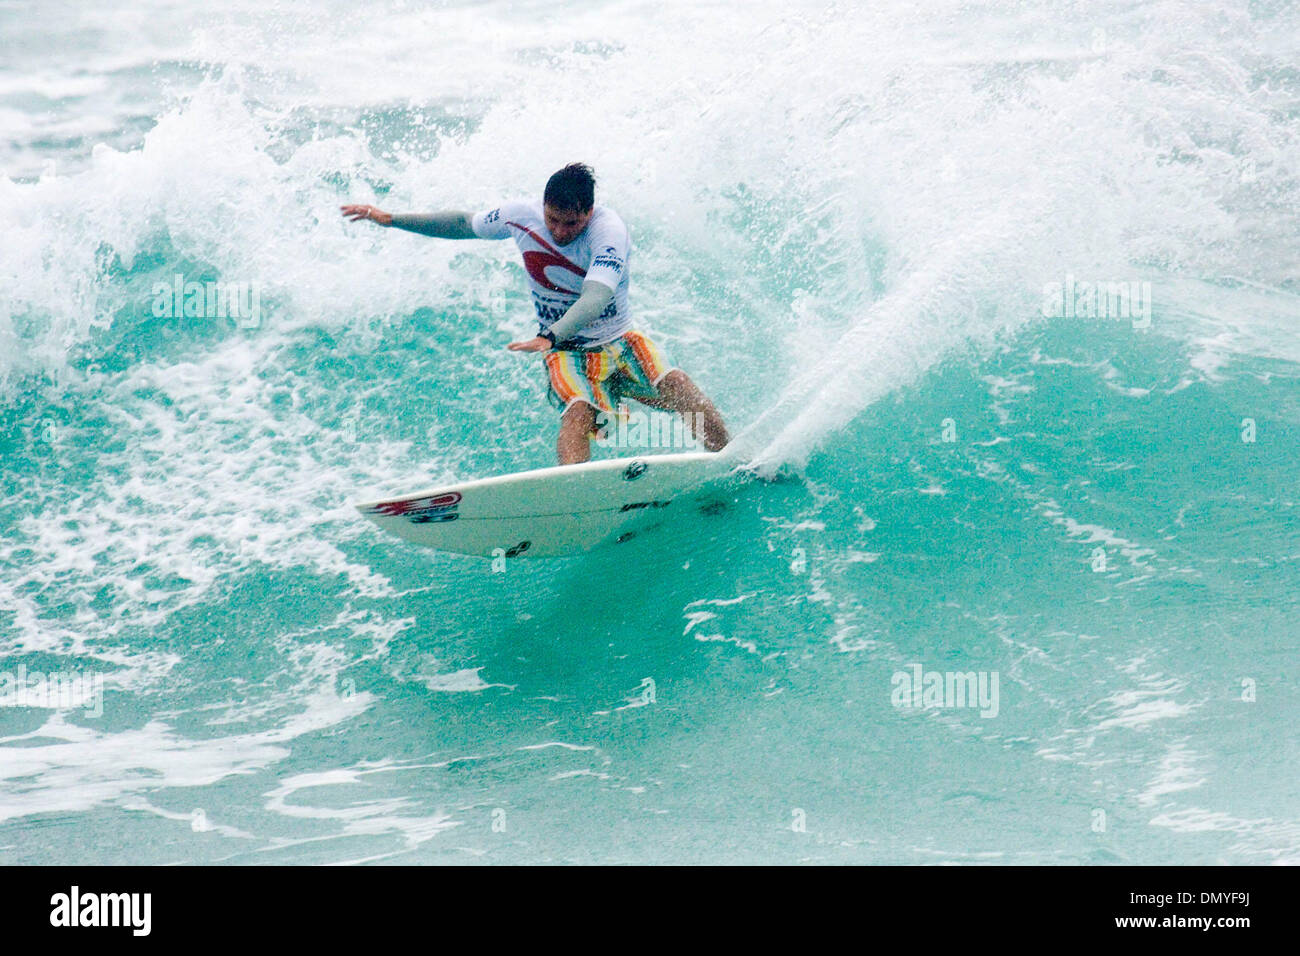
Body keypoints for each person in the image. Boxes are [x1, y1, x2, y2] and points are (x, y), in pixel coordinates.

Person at [341, 163, 729, 464]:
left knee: (677, 383)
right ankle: (576, 497)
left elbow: (594, 297)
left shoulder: (608, 231)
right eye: (552, 219)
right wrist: (390, 218)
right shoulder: (519, 215)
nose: (559, 231)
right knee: (578, 411)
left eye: (571, 222)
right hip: (568, 352)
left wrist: (549, 335)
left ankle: (728, 459)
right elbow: (463, 223)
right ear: (543, 206)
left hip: (618, 338)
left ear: (589, 212)